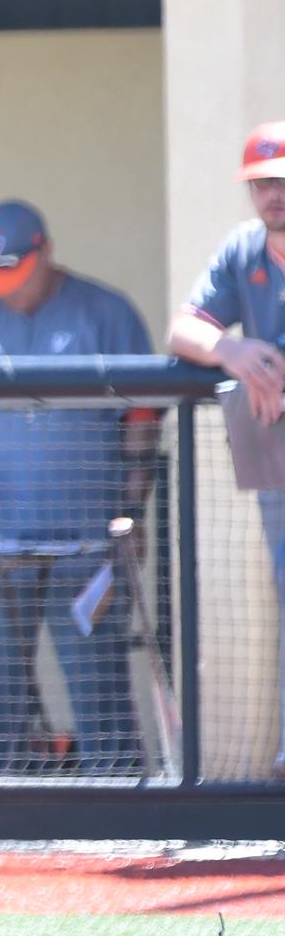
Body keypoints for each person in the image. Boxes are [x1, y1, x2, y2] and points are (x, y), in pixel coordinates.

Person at [0, 201, 156, 777]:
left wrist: (132, 511)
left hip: (88, 542)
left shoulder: (106, 314)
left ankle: (118, 811)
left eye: (15, 274)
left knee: (98, 685)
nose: (6, 291)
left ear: (44, 251)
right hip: (0, 544)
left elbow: (142, 423)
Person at [168, 121, 285, 780]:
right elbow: (182, 327)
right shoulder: (245, 251)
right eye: (263, 183)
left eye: (283, 181)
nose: (275, 195)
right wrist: (233, 350)